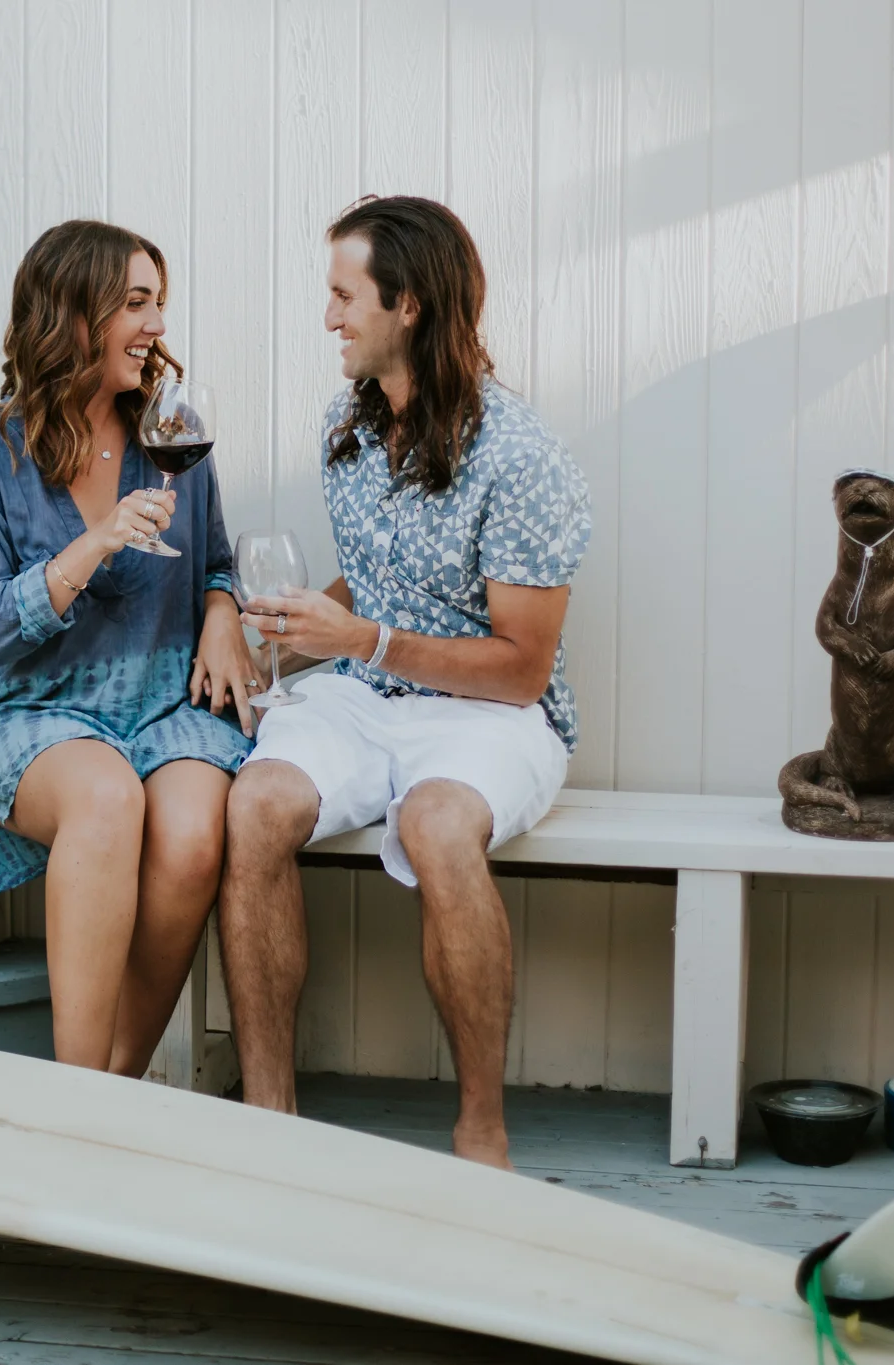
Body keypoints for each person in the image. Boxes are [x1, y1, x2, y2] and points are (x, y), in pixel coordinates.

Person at [221, 196, 592, 1167]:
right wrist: (285, 633)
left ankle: (480, 1134)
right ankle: (269, 1122)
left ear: (409, 306)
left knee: (433, 824)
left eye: (345, 296)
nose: (329, 317)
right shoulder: (347, 427)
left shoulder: (517, 457)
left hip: (487, 718)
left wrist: (363, 638)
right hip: (365, 695)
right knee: (254, 800)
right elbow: (377, 582)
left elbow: (519, 669)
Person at [0, 219, 258, 1074]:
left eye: (161, 302)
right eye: (135, 303)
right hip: (42, 710)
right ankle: (76, 1096)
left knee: (194, 830)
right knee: (110, 799)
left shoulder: (170, 436)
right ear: (70, 316)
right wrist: (97, 541)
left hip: (163, 703)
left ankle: (112, 1091)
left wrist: (223, 611)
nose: (157, 325)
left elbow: (217, 560)